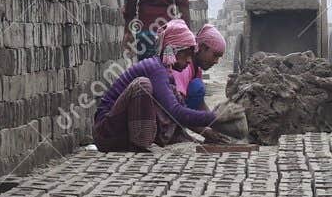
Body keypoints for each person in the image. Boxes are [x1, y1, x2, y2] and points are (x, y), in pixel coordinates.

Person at [94, 21, 231, 151]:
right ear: (172, 51)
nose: (190, 60)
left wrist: (206, 132)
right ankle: (138, 144)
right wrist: (216, 118)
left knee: (171, 94)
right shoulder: (155, 69)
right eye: (186, 55)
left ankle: (142, 141)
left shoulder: (166, 72)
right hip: (106, 133)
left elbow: (180, 109)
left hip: (117, 130)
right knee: (143, 85)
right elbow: (176, 112)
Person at [170, 23, 227, 110]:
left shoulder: (197, 70)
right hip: (174, 113)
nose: (216, 61)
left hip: (183, 112)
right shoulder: (184, 69)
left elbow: (201, 104)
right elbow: (175, 106)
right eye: (215, 55)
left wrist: (213, 120)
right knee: (197, 86)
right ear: (202, 47)